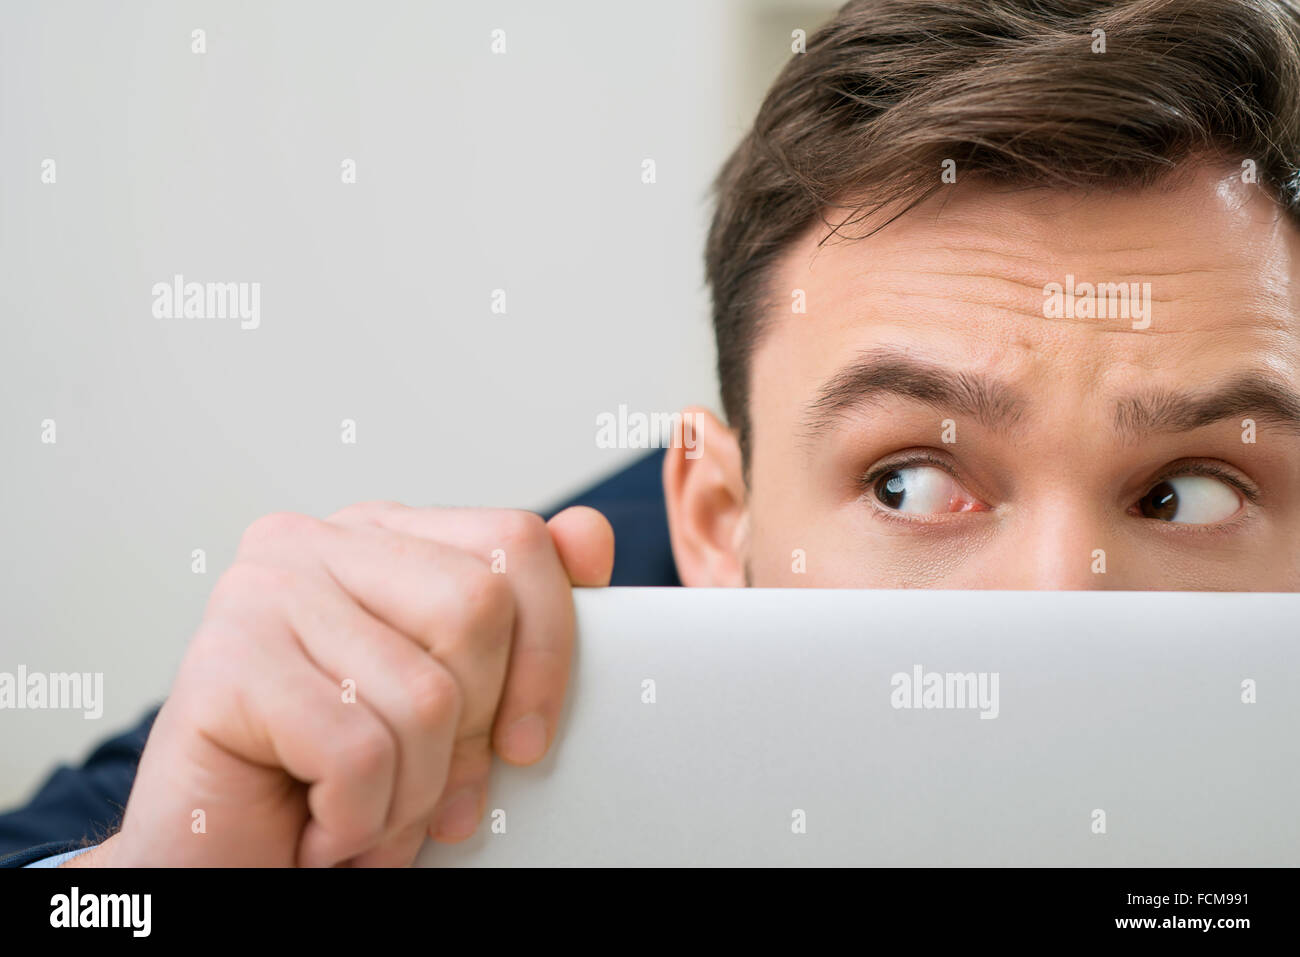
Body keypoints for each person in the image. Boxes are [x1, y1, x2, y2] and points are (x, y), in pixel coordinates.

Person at [5, 0, 1300, 867]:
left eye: (1187, 492)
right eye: (910, 481)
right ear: (716, 525)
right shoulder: (491, 669)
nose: (1050, 620)